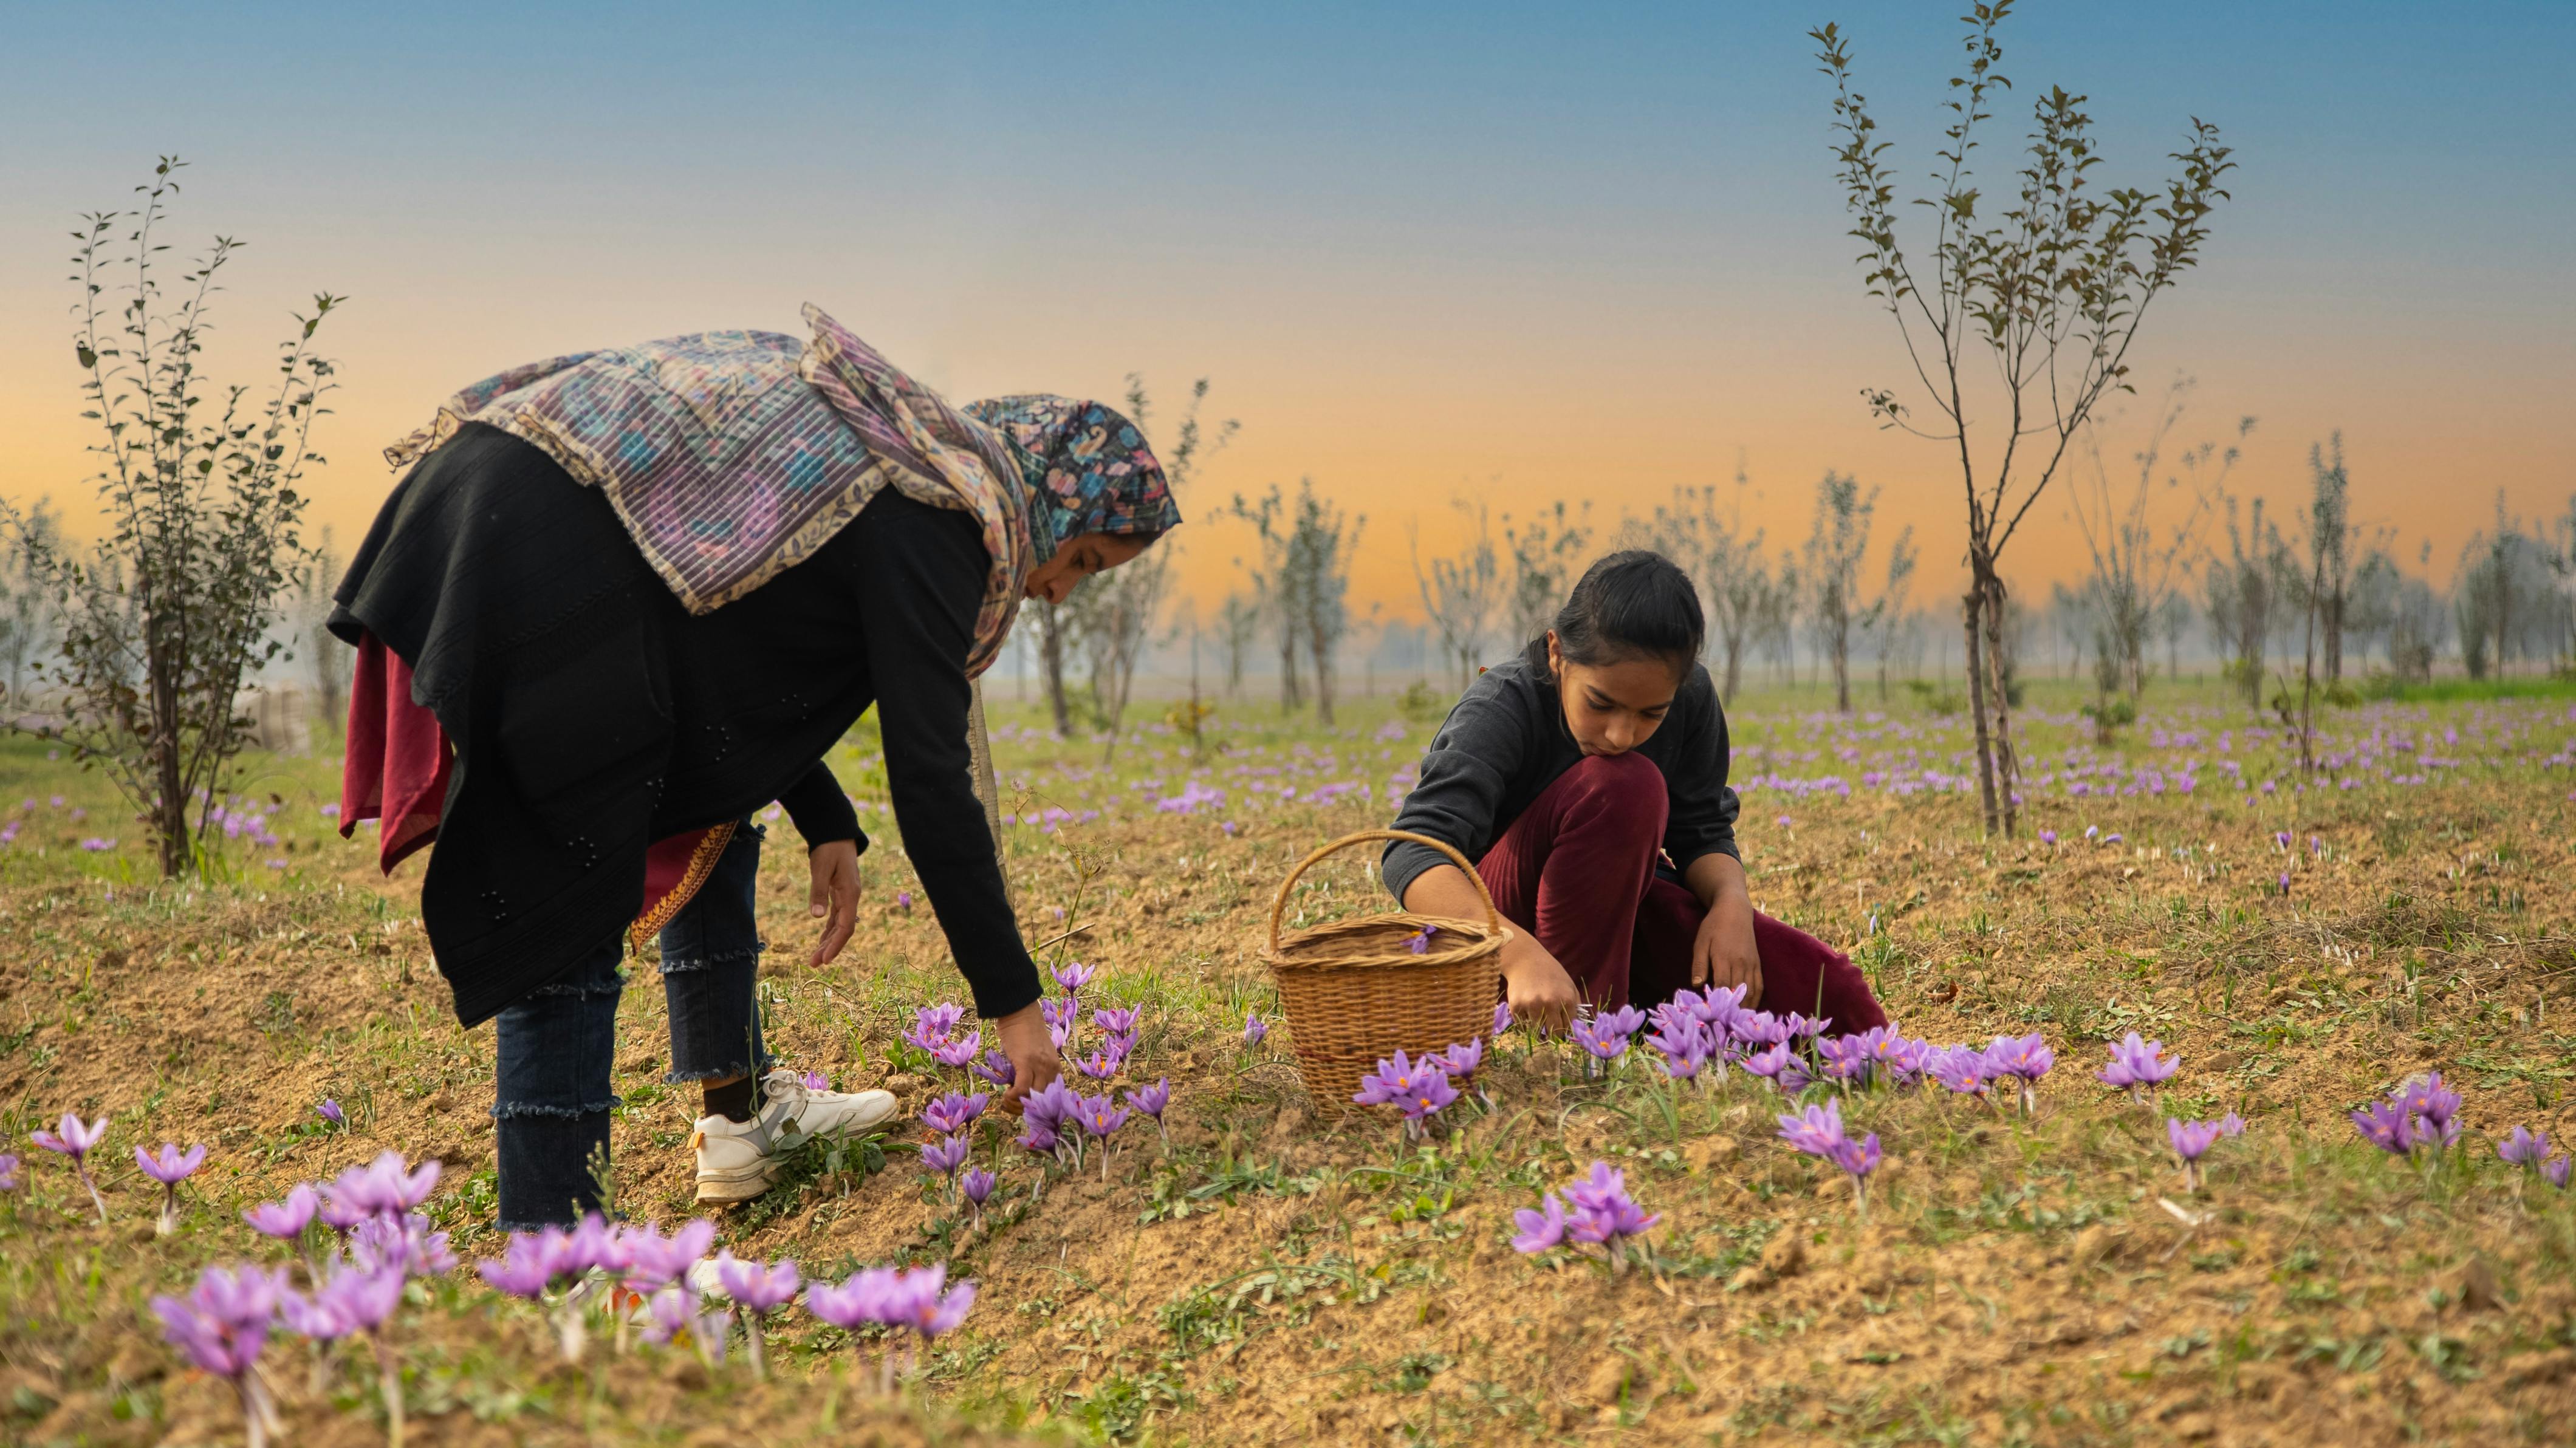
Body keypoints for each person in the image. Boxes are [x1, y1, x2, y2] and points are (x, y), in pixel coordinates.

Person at [328, 307, 1175, 1228]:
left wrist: (825, 815)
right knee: (560, 906)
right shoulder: (941, 515)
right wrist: (1015, 1008)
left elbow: (735, 656)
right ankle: (555, 1260)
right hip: (532, 545)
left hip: (519, 506)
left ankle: (735, 1123)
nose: (1059, 589)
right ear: (1048, 497)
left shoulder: (907, 471)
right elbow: (932, 782)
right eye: (1082, 556)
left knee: (713, 800)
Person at [1382, 550, 1886, 1034]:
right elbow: (1414, 852)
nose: (1622, 735)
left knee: (1829, 996)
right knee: (1623, 783)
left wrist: (1731, 904)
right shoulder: (1503, 704)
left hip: (1615, 913)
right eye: (1601, 703)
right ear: (1557, 654)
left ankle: (1611, 1013)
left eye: (1652, 714)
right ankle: (1586, 1035)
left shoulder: (1691, 700)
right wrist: (1514, 953)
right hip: (1495, 946)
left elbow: (1702, 832)